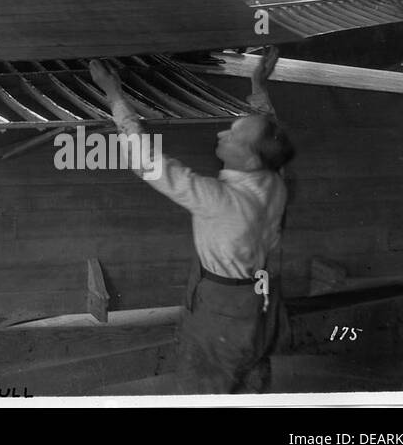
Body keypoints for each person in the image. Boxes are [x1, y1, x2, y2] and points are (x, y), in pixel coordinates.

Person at [87, 47, 293, 393]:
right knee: (251, 372)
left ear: (250, 159)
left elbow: (147, 163)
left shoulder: (222, 200)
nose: (221, 134)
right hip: (259, 297)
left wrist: (114, 95)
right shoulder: (275, 181)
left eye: (233, 135)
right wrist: (258, 85)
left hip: (222, 310)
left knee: (205, 386)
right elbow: (268, 135)